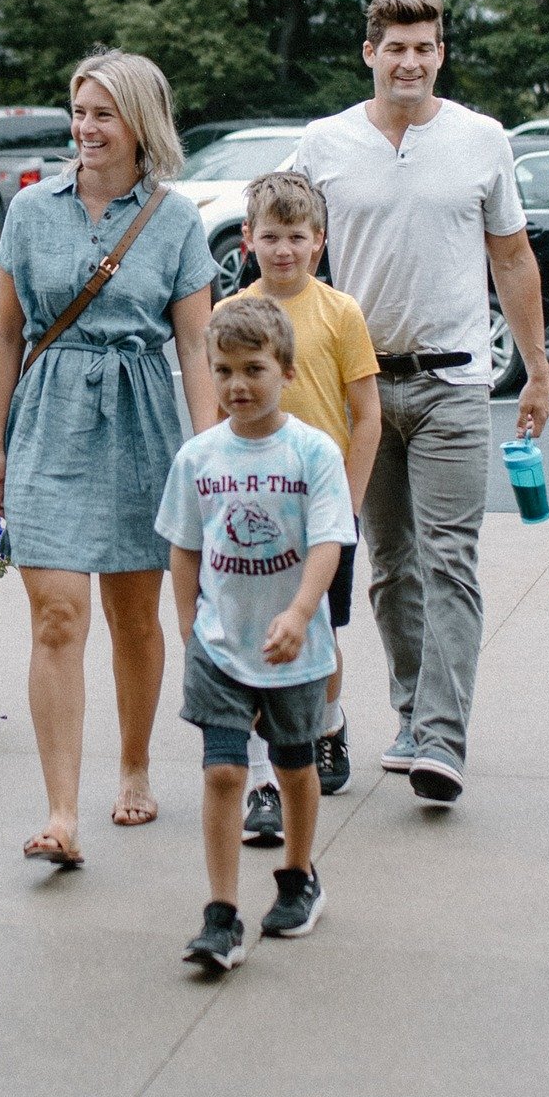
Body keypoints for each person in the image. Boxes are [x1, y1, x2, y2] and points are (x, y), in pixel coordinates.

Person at [293, 0, 549, 807]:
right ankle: (409, 714)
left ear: (441, 53)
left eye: (425, 47)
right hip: (360, 389)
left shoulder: (482, 140)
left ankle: (442, 739)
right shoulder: (323, 143)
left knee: (451, 560)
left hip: (454, 384)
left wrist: (537, 366)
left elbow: (510, 259)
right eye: (395, 47)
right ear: (369, 53)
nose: (411, 61)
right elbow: (284, 245)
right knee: (389, 566)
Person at [0, 49, 219, 867]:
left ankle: (137, 762)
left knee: (131, 616)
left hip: (143, 418)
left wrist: (212, 455)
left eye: (102, 114)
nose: (84, 128)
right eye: (78, 111)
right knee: (56, 615)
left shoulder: (177, 219)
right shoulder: (32, 212)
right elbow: (6, 334)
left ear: (139, 124)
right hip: (47, 417)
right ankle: (60, 813)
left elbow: (195, 348)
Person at [157, 298, 356, 971]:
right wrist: (189, 624)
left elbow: (330, 539)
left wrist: (300, 613)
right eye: (224, 370)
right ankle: (221, 915)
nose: (238, 384)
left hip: (294, 650)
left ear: (288, 372)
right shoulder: (199, 457)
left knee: (297, 766)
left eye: (254, 369)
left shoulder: (312, 452)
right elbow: (185, 545)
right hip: (221, 645)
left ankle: (298, 877)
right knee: (222, 772)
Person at [223, 170, 379, 843]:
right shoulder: (235, 313)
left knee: (319, 631)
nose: (282, 250)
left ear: (319, 242)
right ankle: (264, 777)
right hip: (255, 502)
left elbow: (366, 415)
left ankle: (328, 722)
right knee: (258, 633)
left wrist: (348, 502)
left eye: (296, 237)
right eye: (270, 238)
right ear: (247, 241)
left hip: (323, 504)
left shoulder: (339, 313)